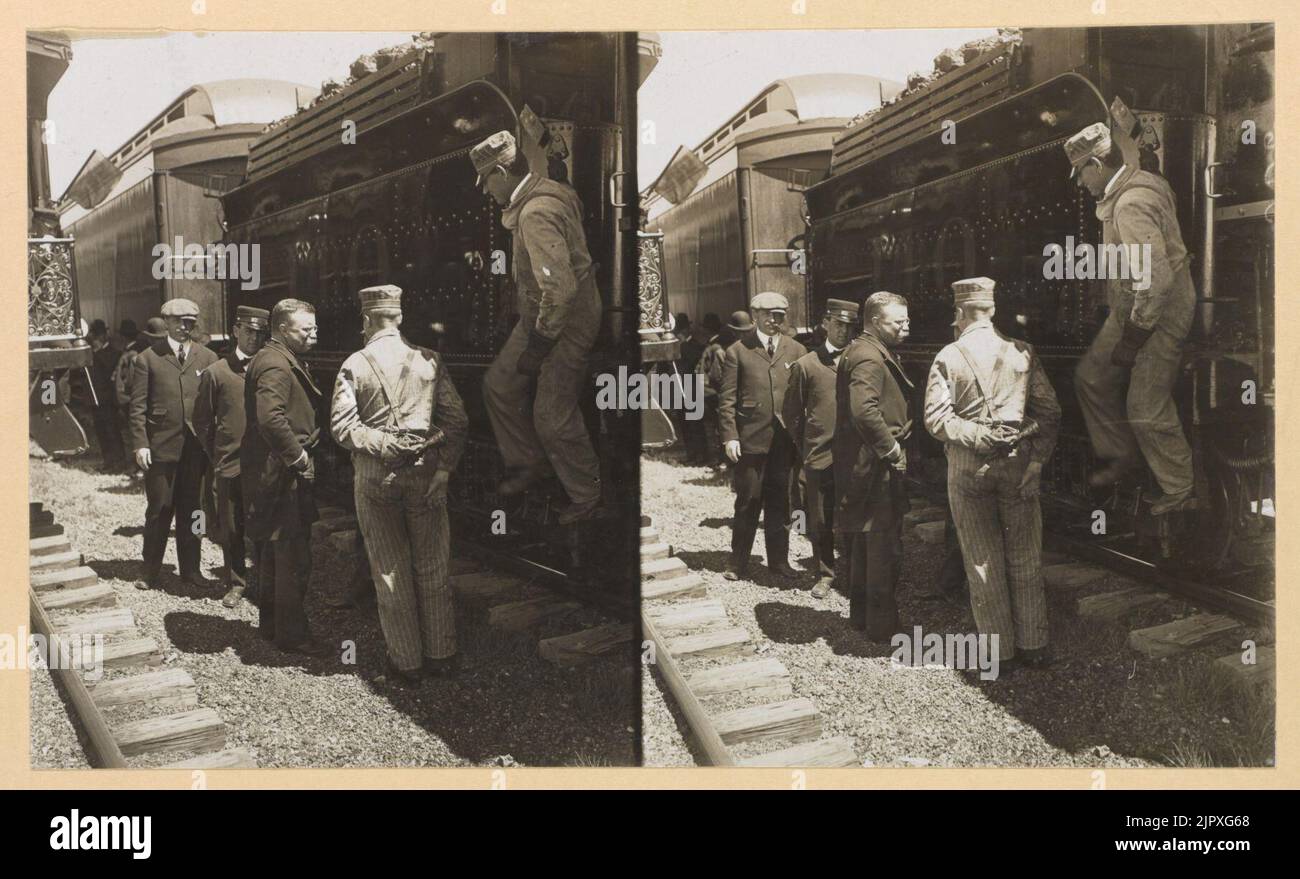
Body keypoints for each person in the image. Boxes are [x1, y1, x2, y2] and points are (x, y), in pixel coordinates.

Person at [330, 285, 469, 685]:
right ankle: (442, 655)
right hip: (427, 477)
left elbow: (342, 427)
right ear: (401, 317)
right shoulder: (430, 360)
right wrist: (443, 471)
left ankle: (406, 663)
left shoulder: (355, 364)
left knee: (389, 570)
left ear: (366, 319)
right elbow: (457, 420)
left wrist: (384, 444)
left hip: (375, 478)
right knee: (432, 564)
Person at [923, 277, 1061, 672]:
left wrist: (980, 437)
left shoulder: (948, 356)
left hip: (968, 469)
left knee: (982, 559)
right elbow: (1050, 412)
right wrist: (1036, 464)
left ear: (960, 312)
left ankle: (998, 653)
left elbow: (936, 420)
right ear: (993, 309)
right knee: (1024, 553)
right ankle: (1034, 645)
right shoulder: (1023, 352)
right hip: (1020, 467)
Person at [472, 130, 604, 524]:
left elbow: (560, 290)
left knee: (552, 415)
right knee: (498, 385)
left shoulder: (534, 213)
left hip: (565, 320)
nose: (484, 191)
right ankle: (530, 464)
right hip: (540, 315)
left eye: (486, 181)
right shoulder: (549, 191)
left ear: (500, 171)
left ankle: (587, 496)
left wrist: (540, 345)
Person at [1066, 121, 1196, 515]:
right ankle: (1124, 460)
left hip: (1158, 315)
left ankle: (1180, 489)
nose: (1079, 182)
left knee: (1145, 407)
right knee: (1090, 377)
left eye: (1080, 172)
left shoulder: (1130, 204)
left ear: (1095, 164)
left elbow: (1155, 282)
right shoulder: (1136, 186)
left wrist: (1133, 339)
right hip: (1132, 311)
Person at [242, 299, 326, 657]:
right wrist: (299, 456)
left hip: (271, 473)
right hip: (282, 474)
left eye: (314, 328)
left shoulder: (273, 357)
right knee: (292, 557)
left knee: (275, 553)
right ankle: (292, 635)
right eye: (305, 329)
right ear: (281, 329)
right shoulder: (277, 364)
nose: (313, 334)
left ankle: (272, 625)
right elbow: (271, 418)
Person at [833, 291, 912, 639]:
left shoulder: (864, 349)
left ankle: (861, 617)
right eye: (900, 322)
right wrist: (892, 449)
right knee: (882, 546)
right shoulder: (870, 357)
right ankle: (882, 627)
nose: (907, 327)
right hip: (874, 465)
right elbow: (863, 410)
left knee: (866, 542)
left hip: (862, 463)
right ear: (877, 322)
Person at [128, 298, 219, 591]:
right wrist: (141, 444)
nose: (184, 327)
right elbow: (137, 406)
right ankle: (149, 570)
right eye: (179, 321)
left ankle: (191, 569)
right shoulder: (148, 358)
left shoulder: (208, 358)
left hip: (196, 449)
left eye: (190, 322)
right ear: (166, 322)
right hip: (161, 448)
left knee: (193, 512)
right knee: (159, 508)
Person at [718, 291, 807, 580]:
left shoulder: (797, 350)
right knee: (748, 501)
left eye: (779, 315)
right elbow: (727, 399)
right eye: (767, 314)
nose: (773, 320)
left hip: (784, 442)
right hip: (751, 440)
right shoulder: (738, 351)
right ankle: (737, 563)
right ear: (755, 316)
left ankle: (779, 562)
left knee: (780, 502)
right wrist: (730, 436)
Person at [193, 306, 269, 608]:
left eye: (260, 333)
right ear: (236, 330)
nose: (254, 338)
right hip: (230, 464)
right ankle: (237, 583)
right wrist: (218, 452)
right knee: (233, 526)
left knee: (263, 524)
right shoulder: (217, 373)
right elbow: (201, 421)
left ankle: (266, 583)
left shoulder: (269, 369)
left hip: (264, 466)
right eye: (249, 331)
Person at [783, 299, 858, 598]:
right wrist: (809, 444)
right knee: (821, 518)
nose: (843, 332)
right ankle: (826, 574)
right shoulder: (806, 365)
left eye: (850, 326)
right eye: (839, 324)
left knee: (852, 516)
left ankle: (854, 573)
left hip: (853, 456)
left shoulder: (859, 361)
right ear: (826, 323)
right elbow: (791, 414)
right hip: (819, 455)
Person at [87, 320, 127, 472]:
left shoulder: (114, 353)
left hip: (108, 401)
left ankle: (119, 463)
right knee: (101, 432)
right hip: (96, 400)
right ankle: (108, 462)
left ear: (104, 336)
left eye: (98, 336)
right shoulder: (92, 353)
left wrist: (97, 354)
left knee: (112, 431)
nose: (96, 339)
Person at [694, 312, 730, 467]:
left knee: (719, 427)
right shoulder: (715, 346)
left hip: (712, 392)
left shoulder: (713, 348)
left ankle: (723, 459)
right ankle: (722, 458)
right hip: (713, 392)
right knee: (718, 426)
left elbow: (714, 374)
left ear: (707, 330)